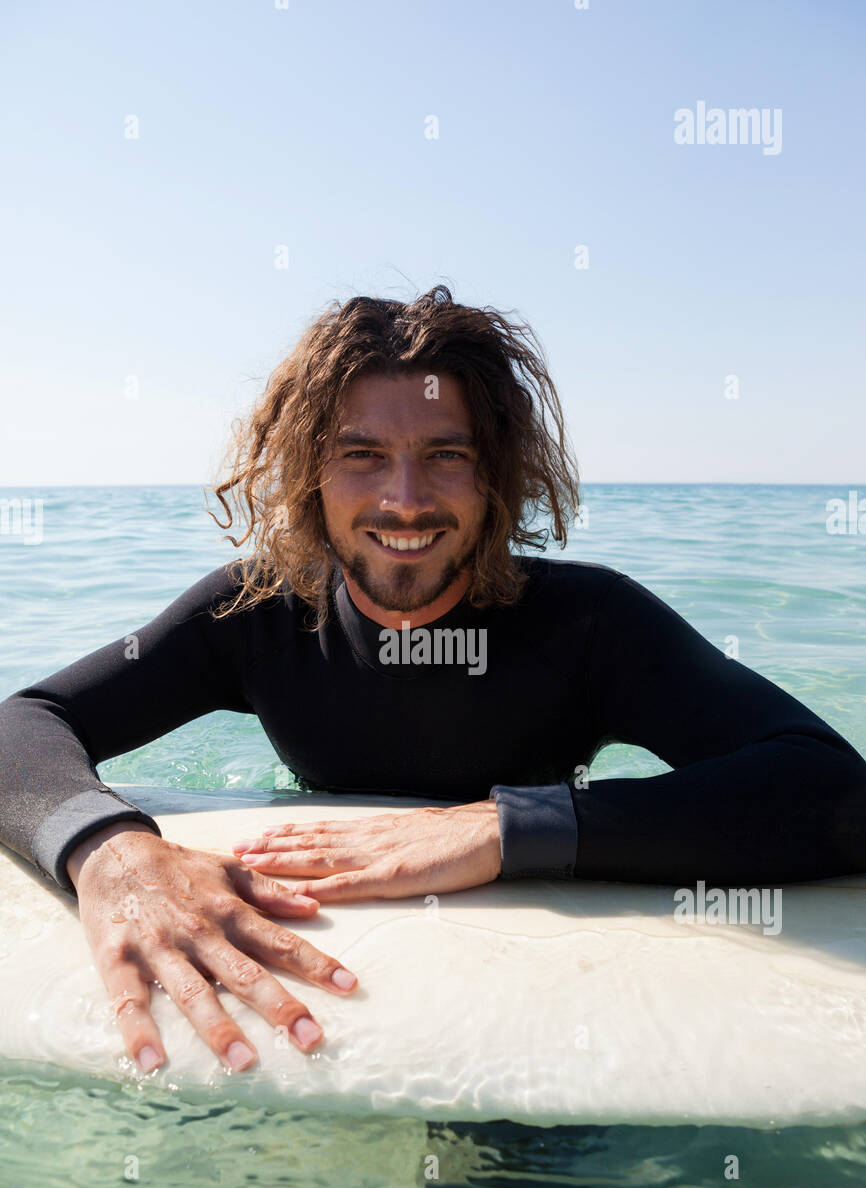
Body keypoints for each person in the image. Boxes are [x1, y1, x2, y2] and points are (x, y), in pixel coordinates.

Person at [1, 286, 864, 1077]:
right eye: (362, 455)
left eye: (446, 453)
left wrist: (509, 827)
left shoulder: (587, 623)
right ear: (309, 472)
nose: (405, 500)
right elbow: (25, 722)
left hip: (531, 985)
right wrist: (109, 850)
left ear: (498, 475)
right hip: (342, 972)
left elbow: (830, 789)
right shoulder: (260, 613)